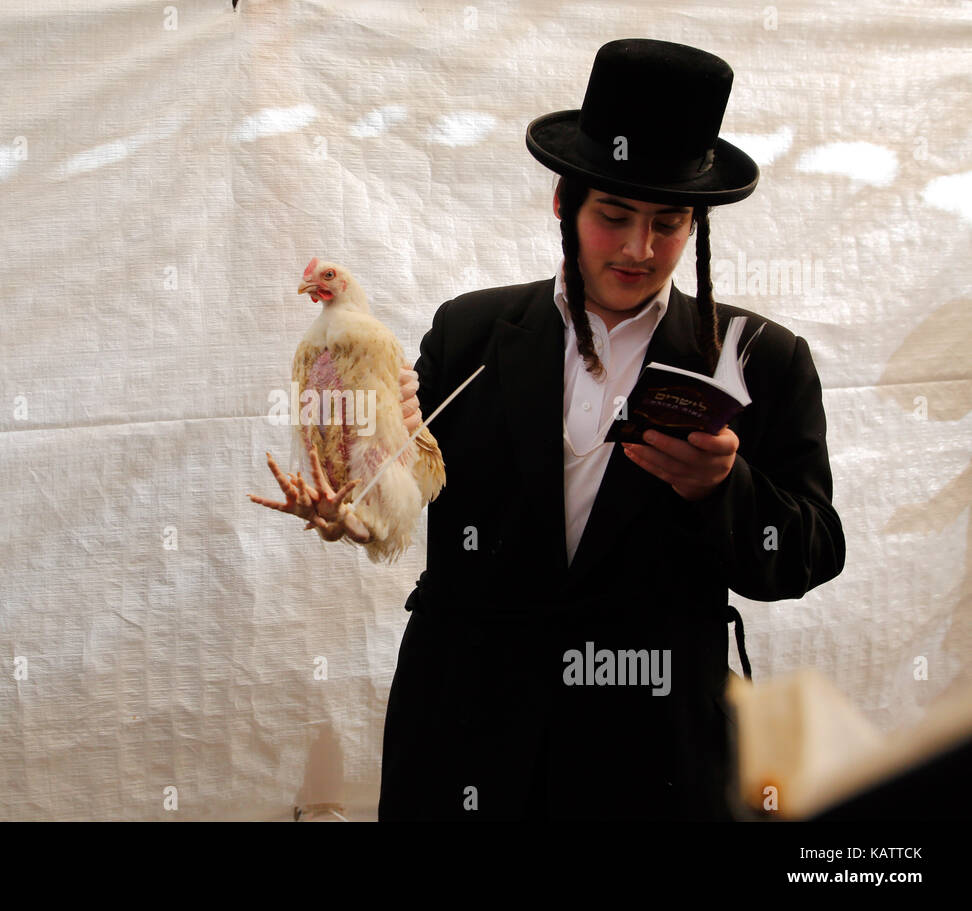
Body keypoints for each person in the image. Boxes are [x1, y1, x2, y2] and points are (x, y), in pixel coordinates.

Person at [255, 39, 845, 820]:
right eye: (614, 216)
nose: (640, 249)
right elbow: (410, 477)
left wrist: (721, 489)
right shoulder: (469, 332)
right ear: (563, 202)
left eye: (668, 223)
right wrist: (352, 511)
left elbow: (810, 552)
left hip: (648, 747)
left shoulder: (761, 359)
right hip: (467, 729)